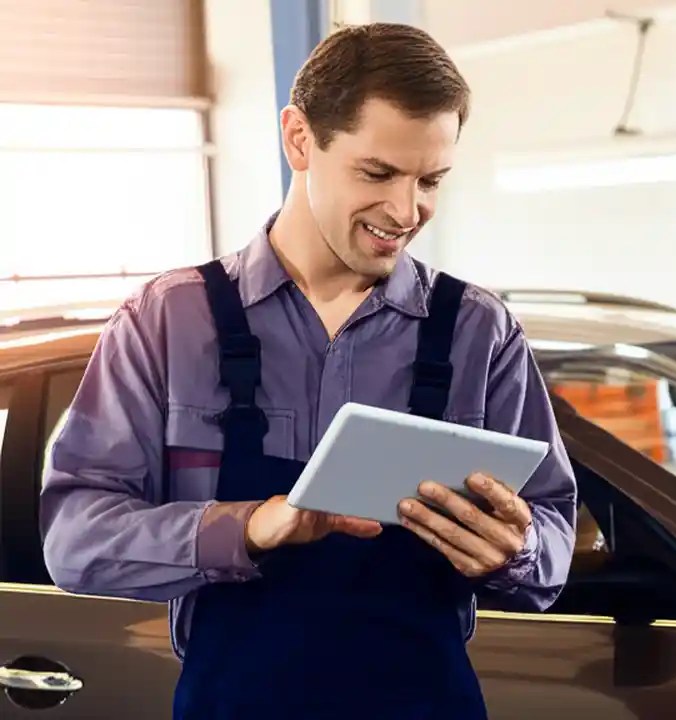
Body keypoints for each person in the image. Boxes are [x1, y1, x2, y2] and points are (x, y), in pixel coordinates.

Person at [39, 23, 576, 720]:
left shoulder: (480, 331)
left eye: (430, 180)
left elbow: (554, 543)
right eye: (378, 173)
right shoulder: (169, 320)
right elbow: (76, 540)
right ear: (299, 139)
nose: (406, 210)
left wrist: (519, 549)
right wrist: (251, 527)